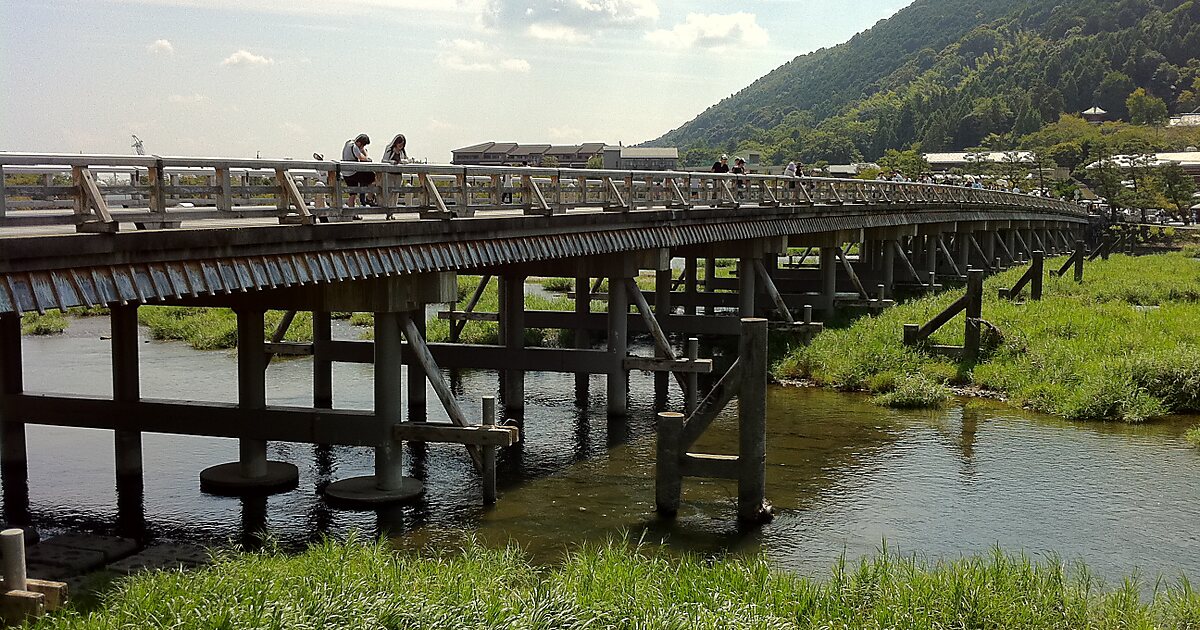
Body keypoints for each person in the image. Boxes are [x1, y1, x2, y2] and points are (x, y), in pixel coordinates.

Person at [341, 134, 374, 207]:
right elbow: (361, 157)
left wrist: (363, 151)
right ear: (360, 143)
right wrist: (366, 156)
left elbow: (360, 152)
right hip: (353, 172)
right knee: (373, 178)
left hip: (345, 173)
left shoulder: (348, 143)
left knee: (353, 194)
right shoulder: (355, 146)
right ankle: (369, 197)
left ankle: (352, 214)